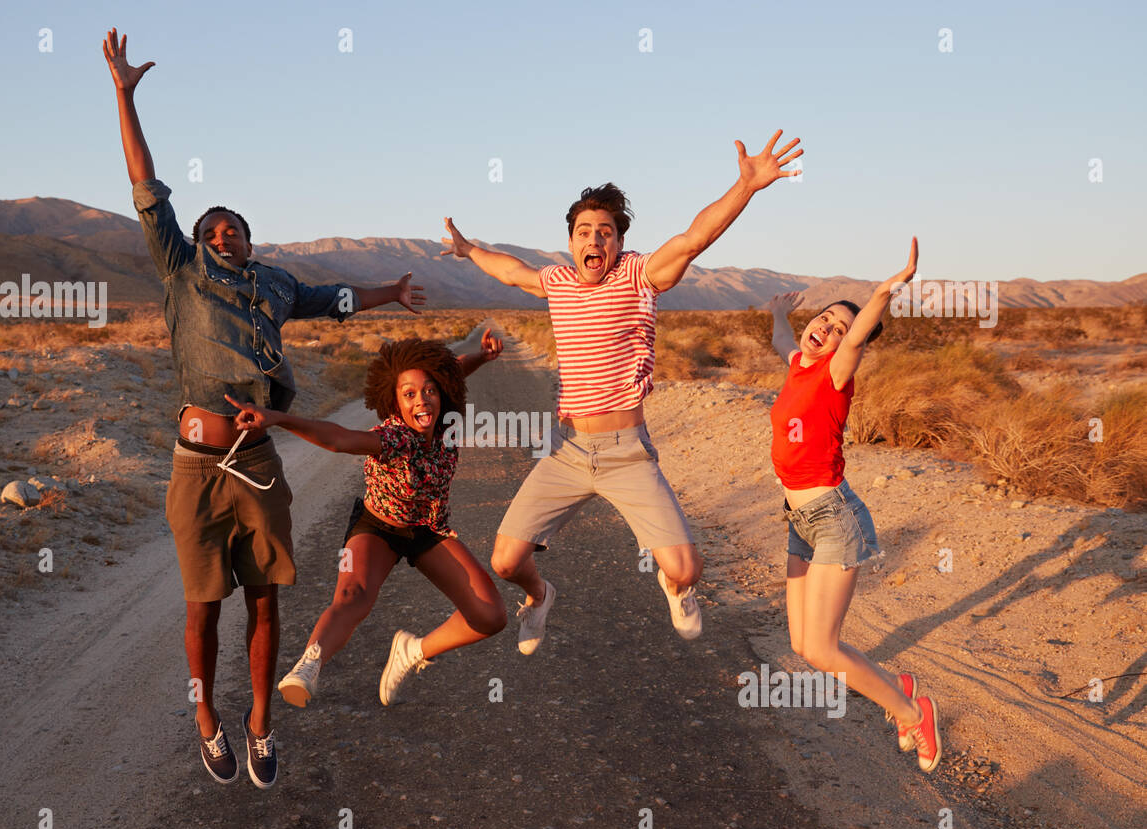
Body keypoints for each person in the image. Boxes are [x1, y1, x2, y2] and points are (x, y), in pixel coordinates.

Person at [103, 29, 426, 789]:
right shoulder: (182, 271)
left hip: (257, 463)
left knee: (264, 598)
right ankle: (205, 719)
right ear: (197, 243)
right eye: (212, 230)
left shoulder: (276, 284)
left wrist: (389, 293)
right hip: (196, 469)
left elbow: (333, 299)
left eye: (235, 229)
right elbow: (145, 185)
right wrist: (124, 95)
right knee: (202, 607)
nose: (223, 235)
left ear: (250, 241)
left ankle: (258, 722)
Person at [440, 132, 803, 653]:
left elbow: (692, 239)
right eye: (584, 232)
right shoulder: (558, 281)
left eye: (605, 232)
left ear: (618, 242)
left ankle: (676, 588)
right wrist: (468, 248)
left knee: (687, 569)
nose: (595, 240)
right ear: (572, 243)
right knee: (505, 561)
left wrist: (745, 186)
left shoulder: (639, 275)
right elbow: (511, 271)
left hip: (626, 452)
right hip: (567, 450)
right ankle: (539, 597)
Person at [227, 333, 507, 707]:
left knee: (490, 615)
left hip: (428, 529)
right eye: (409, 394)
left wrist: (482, 357)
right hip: (378, 528)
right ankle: (309, 666)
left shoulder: (445, 425)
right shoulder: (394, 437)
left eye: (429, 391)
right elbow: (339, 439)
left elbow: (451, 370)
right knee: (352, 595)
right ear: (395, 401)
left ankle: (413, 651)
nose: (421, 400)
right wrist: (277, 418)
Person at [764, 239, 942, 772]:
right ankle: (898, 686)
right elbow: (781, 340)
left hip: (834, 519)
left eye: (839, 328)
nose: (826, 328)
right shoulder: (799, 363)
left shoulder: (836, 374)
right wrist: (778, 313)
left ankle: (915, 712)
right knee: (803, 645)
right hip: (800, 520)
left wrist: (886, 290)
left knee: (823, 648)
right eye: (824, 318)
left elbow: (860, 334)